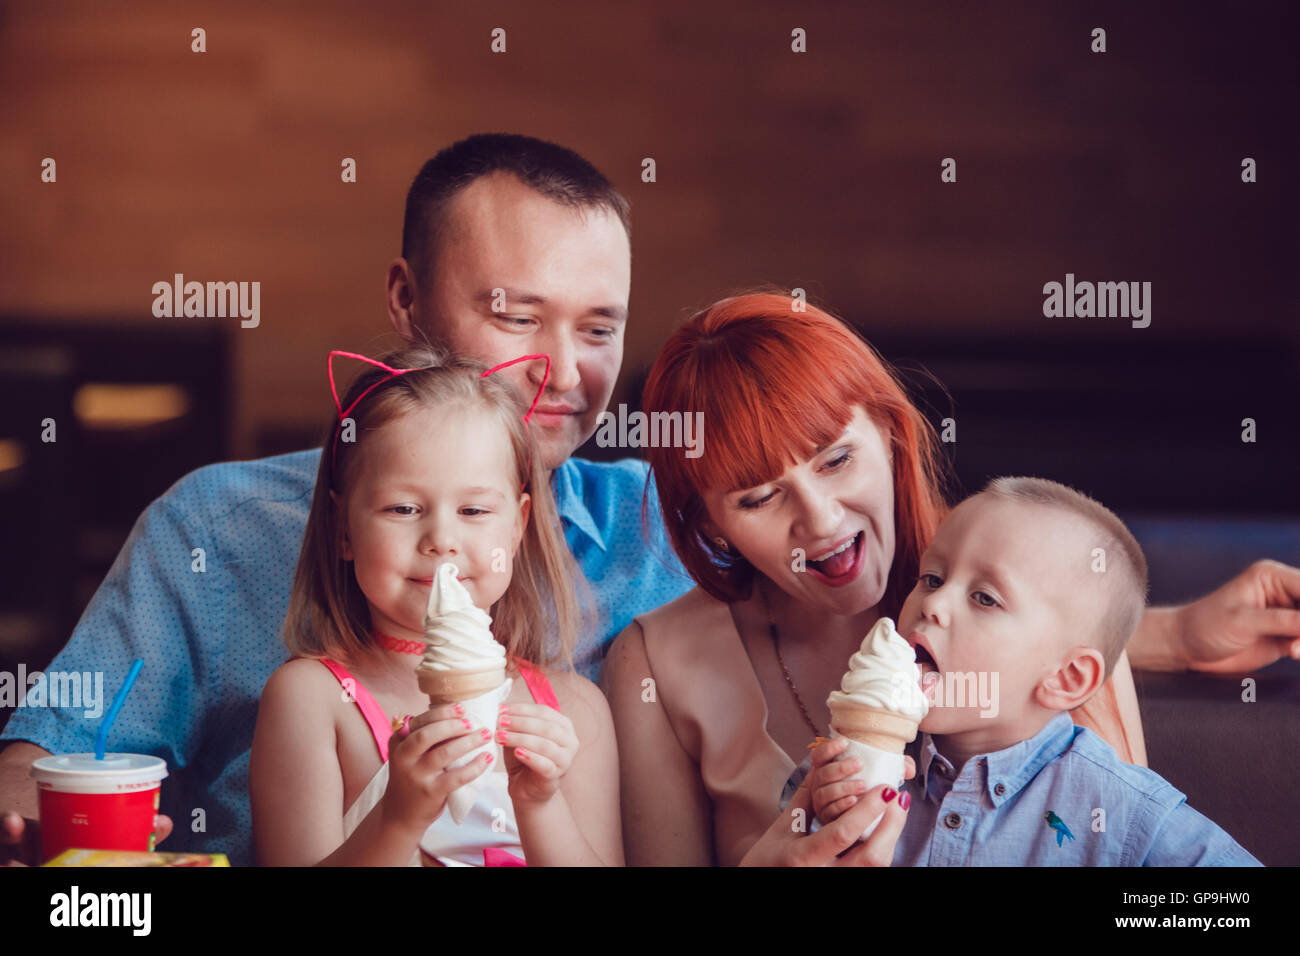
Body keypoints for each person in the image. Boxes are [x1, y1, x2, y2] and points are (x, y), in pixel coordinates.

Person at [4, 138, 1298, 866]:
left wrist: (1162, 635)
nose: (556, 372)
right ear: (405, 301)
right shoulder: (212, 526)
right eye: (512, 315)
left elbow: (884, 609)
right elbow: (43, 757)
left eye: (596, 328)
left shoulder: (654, 528)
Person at [601, 291, 1296, 866]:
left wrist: (1172, 636)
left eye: (838, 460)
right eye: (758, 498)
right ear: (709, 524)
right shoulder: (658, 665)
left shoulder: (1048, 579)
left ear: (889, 430)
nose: (818, 521)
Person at [251, 347, 619, 866]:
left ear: (517, 525)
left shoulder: (575, 711)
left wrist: (541, 804)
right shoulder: (312, 701)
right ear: (343, 529)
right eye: (403, 508)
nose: (442, 539)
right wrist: (400, 816)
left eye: (473, 509)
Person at [809, 476, 1260, 865]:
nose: (934, 604)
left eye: (985, 598)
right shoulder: (857, 764)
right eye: (933, 578)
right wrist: (818, 815)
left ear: (1066, 679)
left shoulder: (1117, 808)